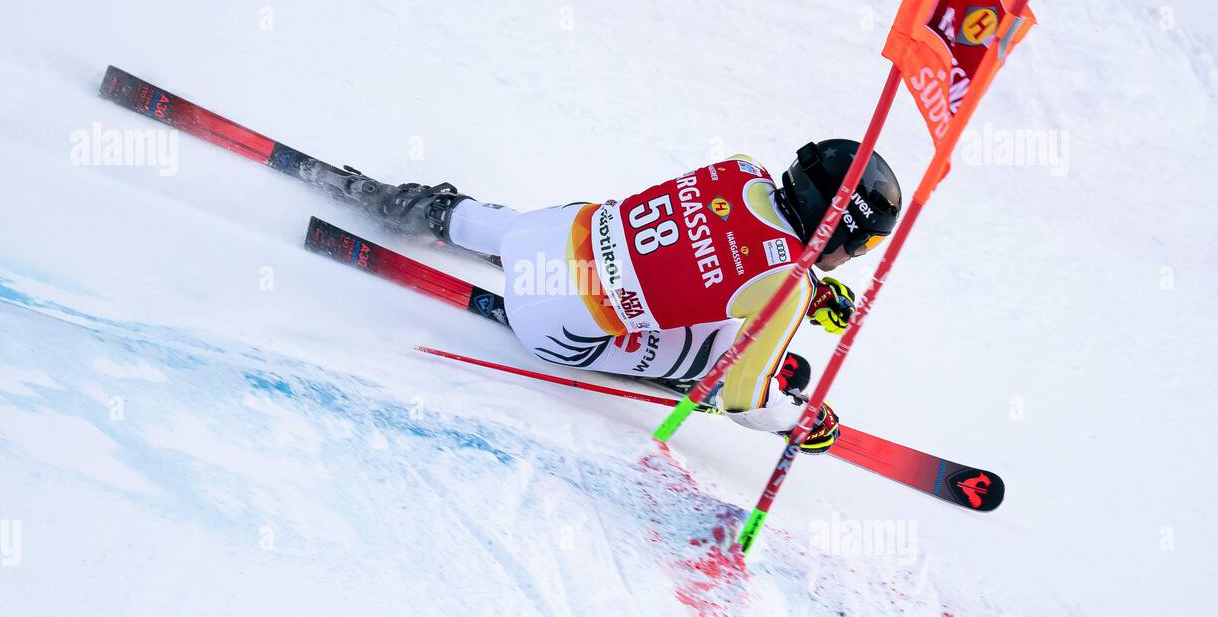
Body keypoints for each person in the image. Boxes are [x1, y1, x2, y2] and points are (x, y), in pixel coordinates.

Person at [346, 140, 900, 452]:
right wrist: (795, 421)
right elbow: (741, 401)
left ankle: (439, 213)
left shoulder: (741, 170)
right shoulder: (786, 289)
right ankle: (689, 366)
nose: (855, 258)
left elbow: (708, 247)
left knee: (583, 233)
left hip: (539, 239)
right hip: (552, 329)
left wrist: (801, 286)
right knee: (718, 363)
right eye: (861, 246)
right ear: (839, 232)